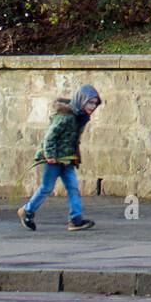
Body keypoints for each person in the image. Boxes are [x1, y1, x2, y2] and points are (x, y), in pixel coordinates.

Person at [17, 85, 101, 232]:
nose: (93, 106)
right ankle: (27, 211)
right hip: (54, 160)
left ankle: (75, 219)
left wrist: (74, 157)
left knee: (73, 188)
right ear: (81, 100)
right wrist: (50, 155)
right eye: (90, 102)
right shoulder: (65, 116)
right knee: (47, 187)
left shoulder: (80, 117)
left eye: (95, 103)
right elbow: (50, 136)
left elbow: (71, 140)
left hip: (67, 160)